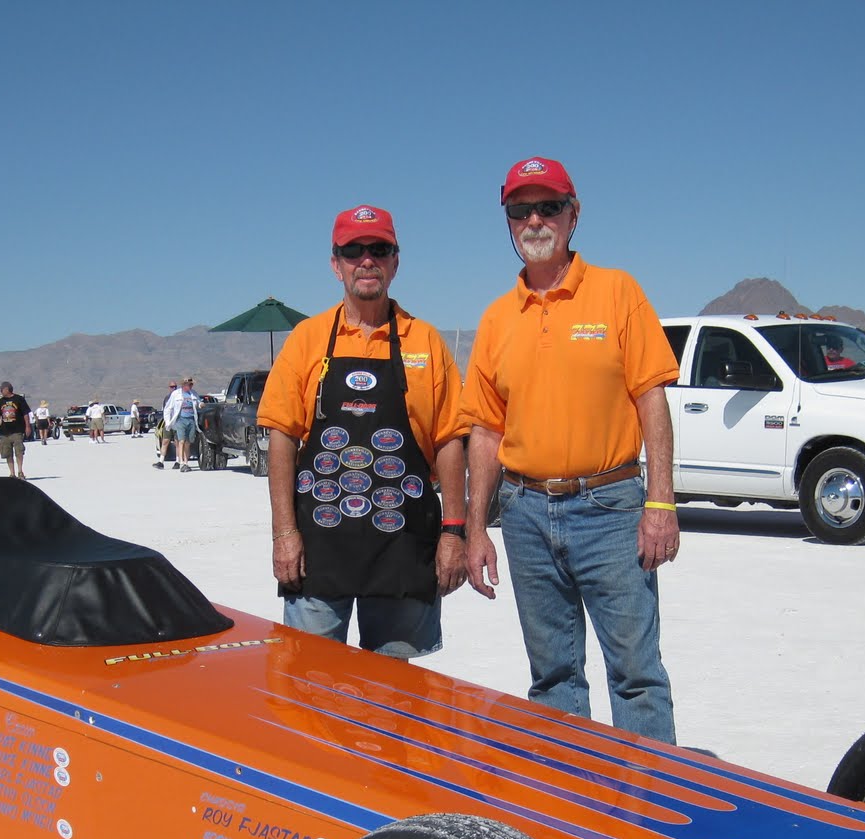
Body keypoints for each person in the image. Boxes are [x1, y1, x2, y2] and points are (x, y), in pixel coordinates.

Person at [462, 157, 679, 743]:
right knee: (553, 678)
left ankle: (651, 797)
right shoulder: (497, 319)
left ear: (573, 215)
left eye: (549, 206)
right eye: (521, 210)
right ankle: (572, 793)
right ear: (508, 221)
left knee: (636, 675)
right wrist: (476, 528)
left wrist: (661, 502)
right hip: (525, 514)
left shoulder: (618, 292)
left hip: (610, 509)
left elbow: (651, 399)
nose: (535, 220)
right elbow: (485, 431)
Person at [256, 203, 466, 658]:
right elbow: (281, 438)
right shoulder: (307, 339)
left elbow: (450, 439)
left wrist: (454, 533)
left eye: (379, 249)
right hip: (319, 548)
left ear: (395, 261)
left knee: (396, 688)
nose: (366, 260)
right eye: (353, 251)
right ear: (336, 264)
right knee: (310, 680)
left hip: (403, 545)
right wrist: (284, 534)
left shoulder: (426, 342)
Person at [0, 382, 32, 478]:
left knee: (19, 451)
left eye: (2, 389)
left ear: (7, 389)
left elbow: (25, 414)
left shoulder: (19, 399)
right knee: (7, 453)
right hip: (4, 432)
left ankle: (20, 471)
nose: (0, 391)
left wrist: (27, 426)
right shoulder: (1, 401)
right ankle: (12, 473)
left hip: (17, 430)